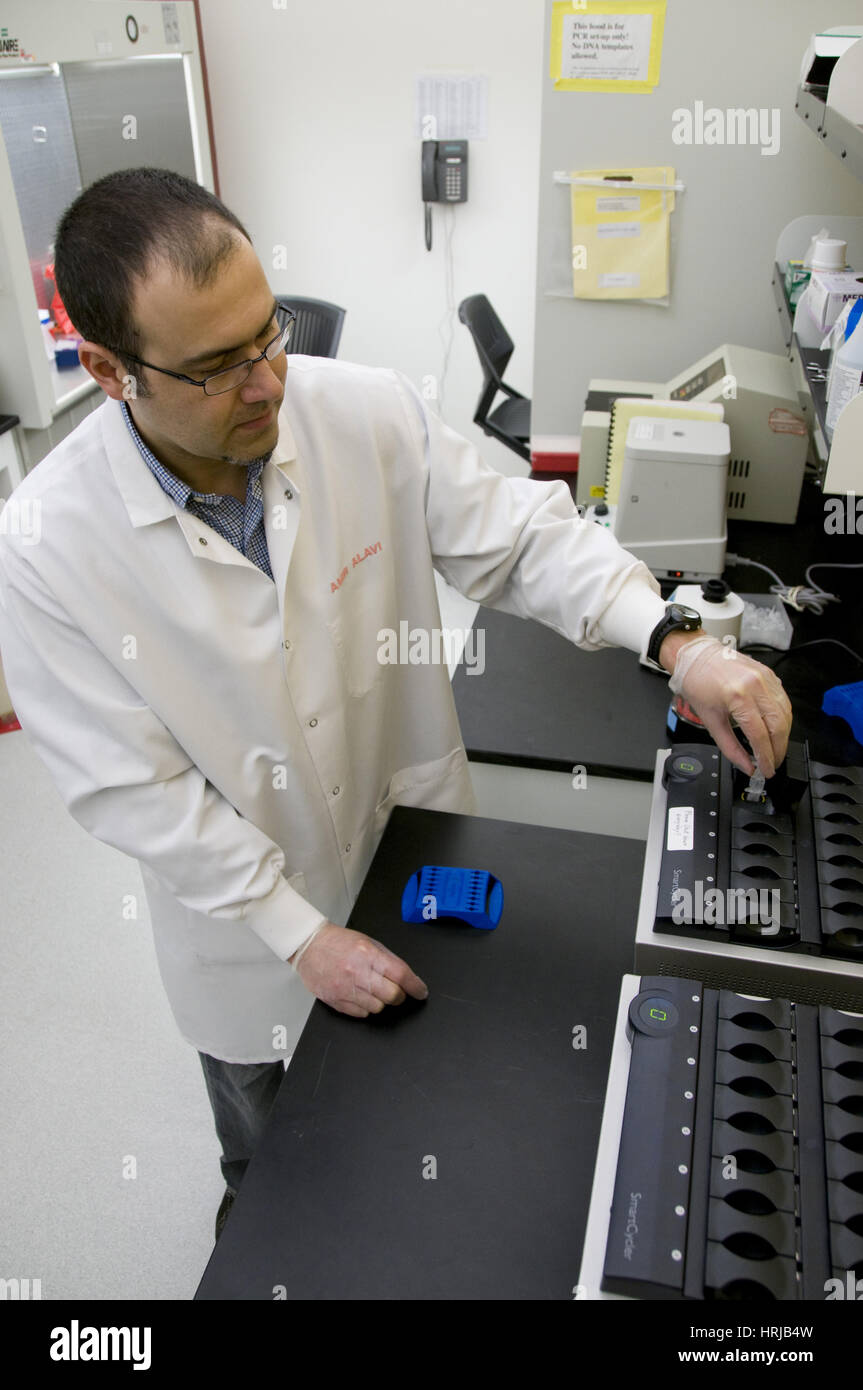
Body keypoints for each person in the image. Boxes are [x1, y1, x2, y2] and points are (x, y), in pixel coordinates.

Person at [0, 168, 792, 1238]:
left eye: (267, 333)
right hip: (246, 942)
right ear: (107, 370)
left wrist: (669, 638)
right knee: (276, 1166)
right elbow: (129, 788)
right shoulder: (47, 544)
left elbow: (519, 538)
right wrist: (295, 931)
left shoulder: (359, 410)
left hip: (409, 845)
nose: (267, 382)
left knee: (426, 1135)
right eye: (216, 366)